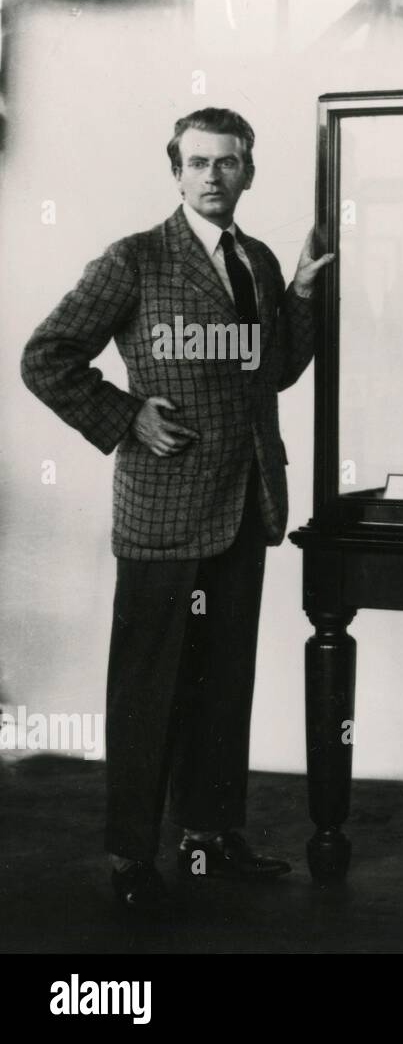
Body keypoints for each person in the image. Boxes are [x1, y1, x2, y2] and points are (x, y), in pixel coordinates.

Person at [20, 107, 333, 914]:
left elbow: (278, 370)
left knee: (224, 684)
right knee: (148, 691)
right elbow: (45, 356)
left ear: (249, 172)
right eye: (198, 163)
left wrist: (299, 289)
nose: (213, 176)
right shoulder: (135, 259)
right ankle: (131, 854)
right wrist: (127, 416)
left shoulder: (258, 262)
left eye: (228, 163)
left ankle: (210, 834)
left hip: (245, 500)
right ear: (176, 170)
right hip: (164, 512)